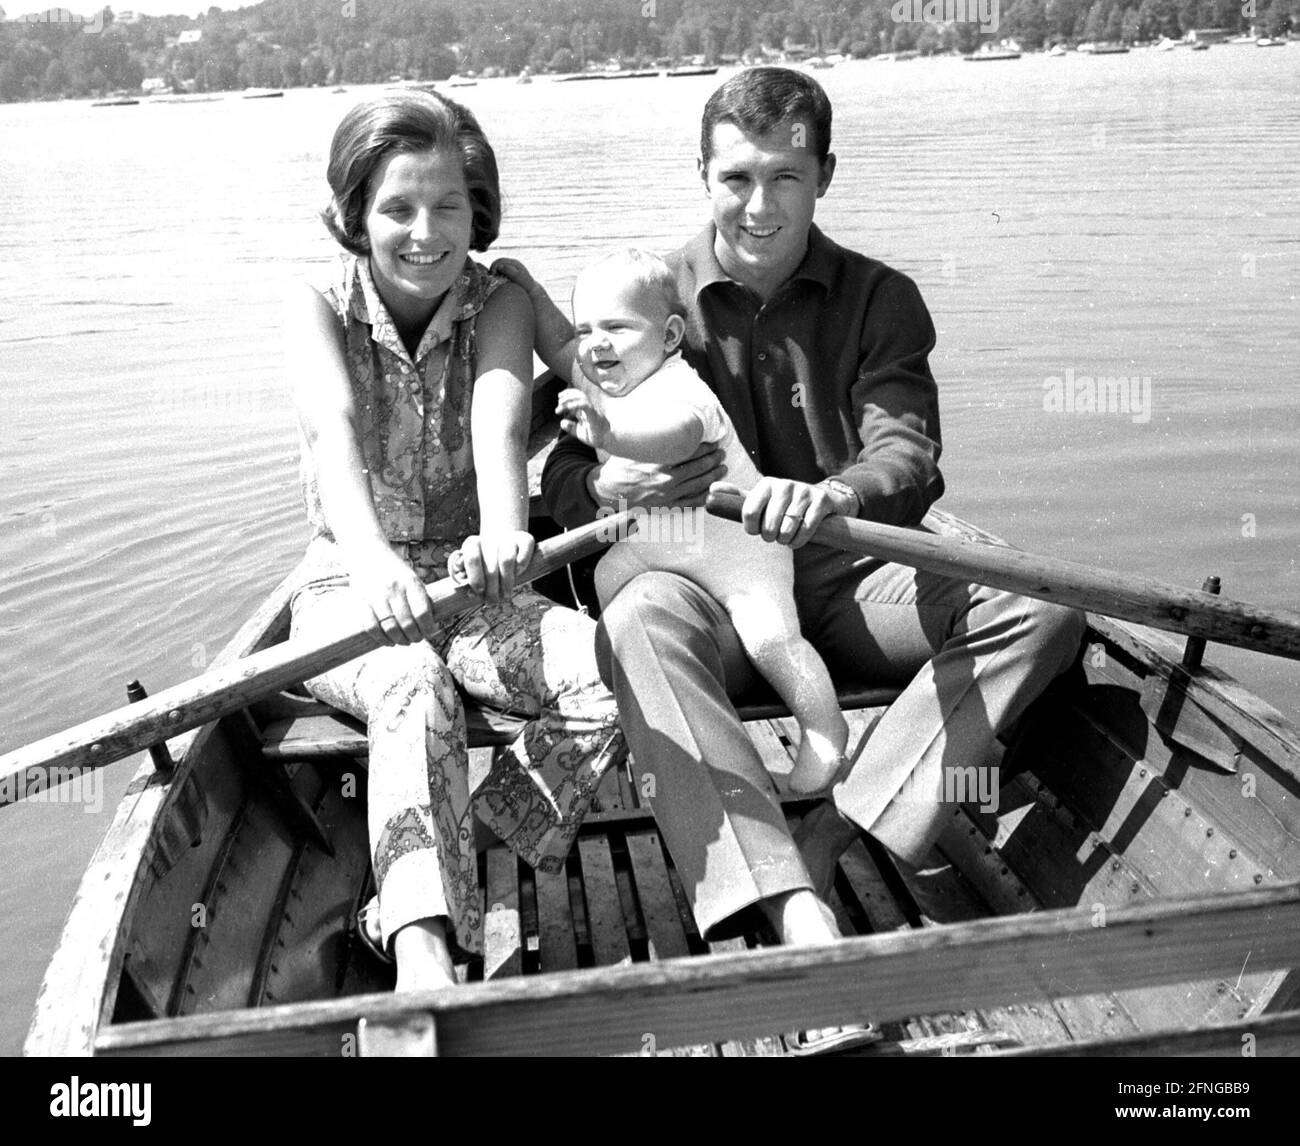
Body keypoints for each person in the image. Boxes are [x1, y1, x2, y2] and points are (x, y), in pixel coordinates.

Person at [538, 68, 1087, 975]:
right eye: (736, 178)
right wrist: (604, 480)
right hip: (706, 585)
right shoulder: (644, 298)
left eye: (785, 176)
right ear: (703, 176)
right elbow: (560, 460)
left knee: (1043, 611)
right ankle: (783, 900)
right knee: (635, 619)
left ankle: (838, 827)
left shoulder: (881, 297)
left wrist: (836, 497)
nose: (759, 206)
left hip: (844, 576)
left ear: (825, 174)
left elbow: (907, 453)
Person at [284, 91, 623, 992]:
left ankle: (456, 865)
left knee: (612, 670)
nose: (425, 232)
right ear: (357, 214)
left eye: (448, 207)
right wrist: (375, 565)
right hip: (349, 585)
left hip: (475, 583)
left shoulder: (496, 301)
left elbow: (498, 426)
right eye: (397, 208)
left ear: (478, 212)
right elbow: (332, 433)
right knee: (411, 685)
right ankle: (423, 952)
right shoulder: (317, 301)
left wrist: (506, 536)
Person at [495, 246, 849, 794]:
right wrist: (530, 290)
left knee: (770, 638)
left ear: (669, 336)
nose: (596, 344)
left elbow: (678, 437)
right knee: (609, 576)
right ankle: (638, 698)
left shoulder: (681, 388)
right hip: (663, 542)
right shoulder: (598, 378)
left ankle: (824, 732)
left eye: (617, 327)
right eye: (589, 329)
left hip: (739, 551)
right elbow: (560, 342)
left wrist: (609, 435)